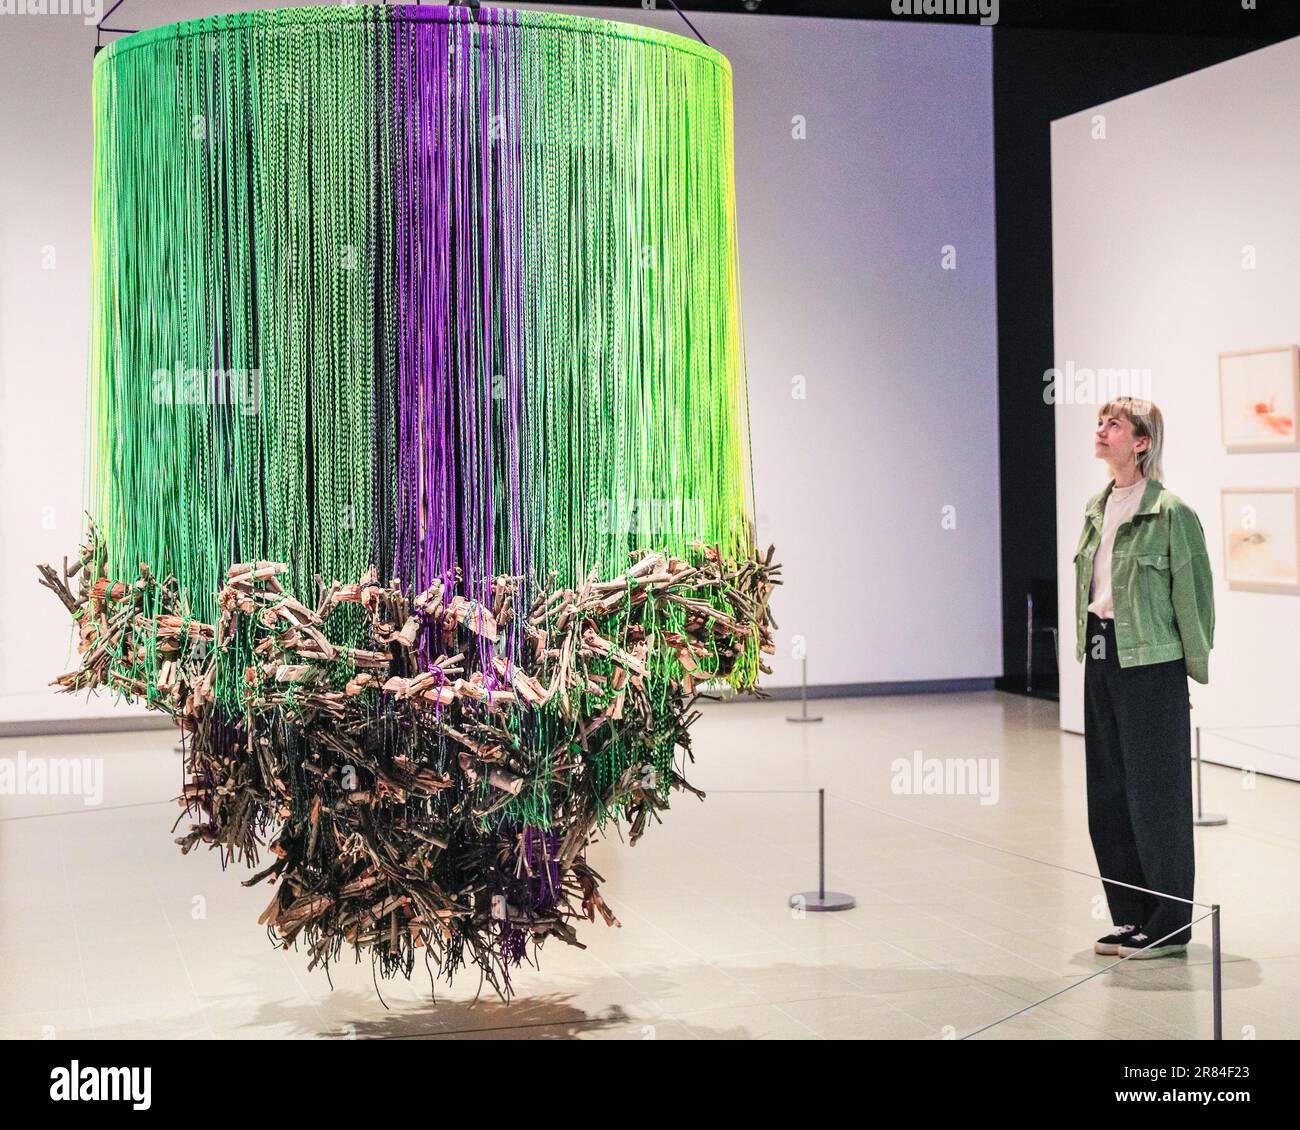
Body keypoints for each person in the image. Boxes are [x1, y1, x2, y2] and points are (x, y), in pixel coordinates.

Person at [1072, 397, 1215, 959]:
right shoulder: (1096, 506)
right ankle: (1132, 917)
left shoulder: (1172, 512)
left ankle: (1170, 923)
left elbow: (1194, 597)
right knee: (1107, 795)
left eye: (1115, 425)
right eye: (1101, 423)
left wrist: (1187, 674)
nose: (1102, 431)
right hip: (1103, 656)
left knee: (1158, 797)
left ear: (1142, 442)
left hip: (1152, 664)